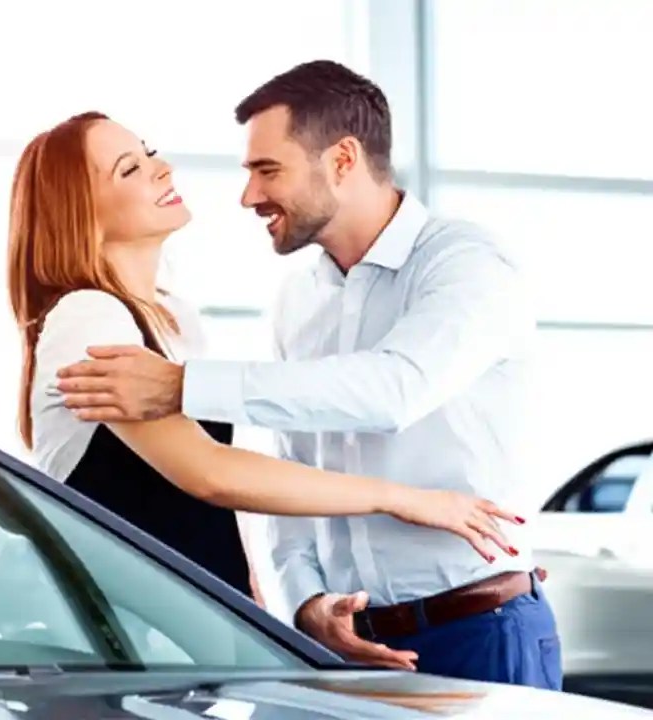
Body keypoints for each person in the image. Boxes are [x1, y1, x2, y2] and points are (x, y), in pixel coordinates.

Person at [53, 62, 560, 690]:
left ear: (342, 160)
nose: (249, 196)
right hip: (347, 647)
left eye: (268, 171)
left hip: (479, 631)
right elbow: (289, 474)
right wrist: (306, 602)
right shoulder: (300, 300)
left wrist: (183, 385)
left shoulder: (465, 263)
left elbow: (394, 389)